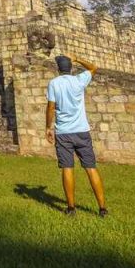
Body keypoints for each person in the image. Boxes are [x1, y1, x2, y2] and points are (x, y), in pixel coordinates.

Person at [45, 54, 107, 217]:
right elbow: (94, 68)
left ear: (58, 68)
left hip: (64, 132)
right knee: (91, 168)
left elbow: (51, 107)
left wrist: (48, 127)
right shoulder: (79, 80)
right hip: (81, 130)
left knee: (67, 168)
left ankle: (71, 208)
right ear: (70, 68)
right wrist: (78, 58)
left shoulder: (54, 83)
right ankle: (102, 208)